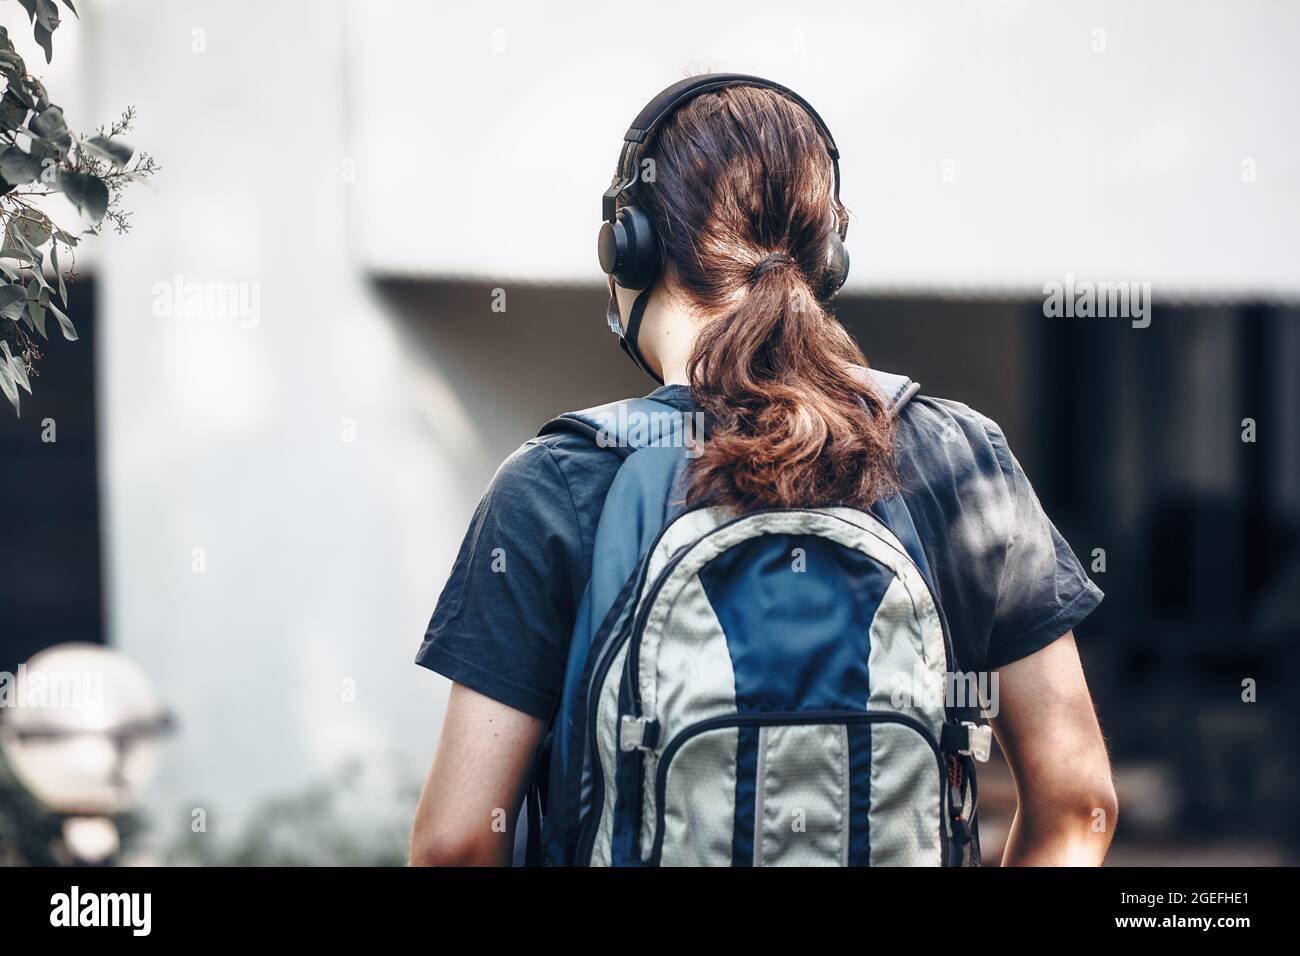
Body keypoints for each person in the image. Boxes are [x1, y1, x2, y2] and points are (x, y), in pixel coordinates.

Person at [409, 76, 1116, 866]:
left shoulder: (558, 487)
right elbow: (1077, 805)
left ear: (630, 248)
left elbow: (458, 846)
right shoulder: (960, 459)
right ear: (830, 260)